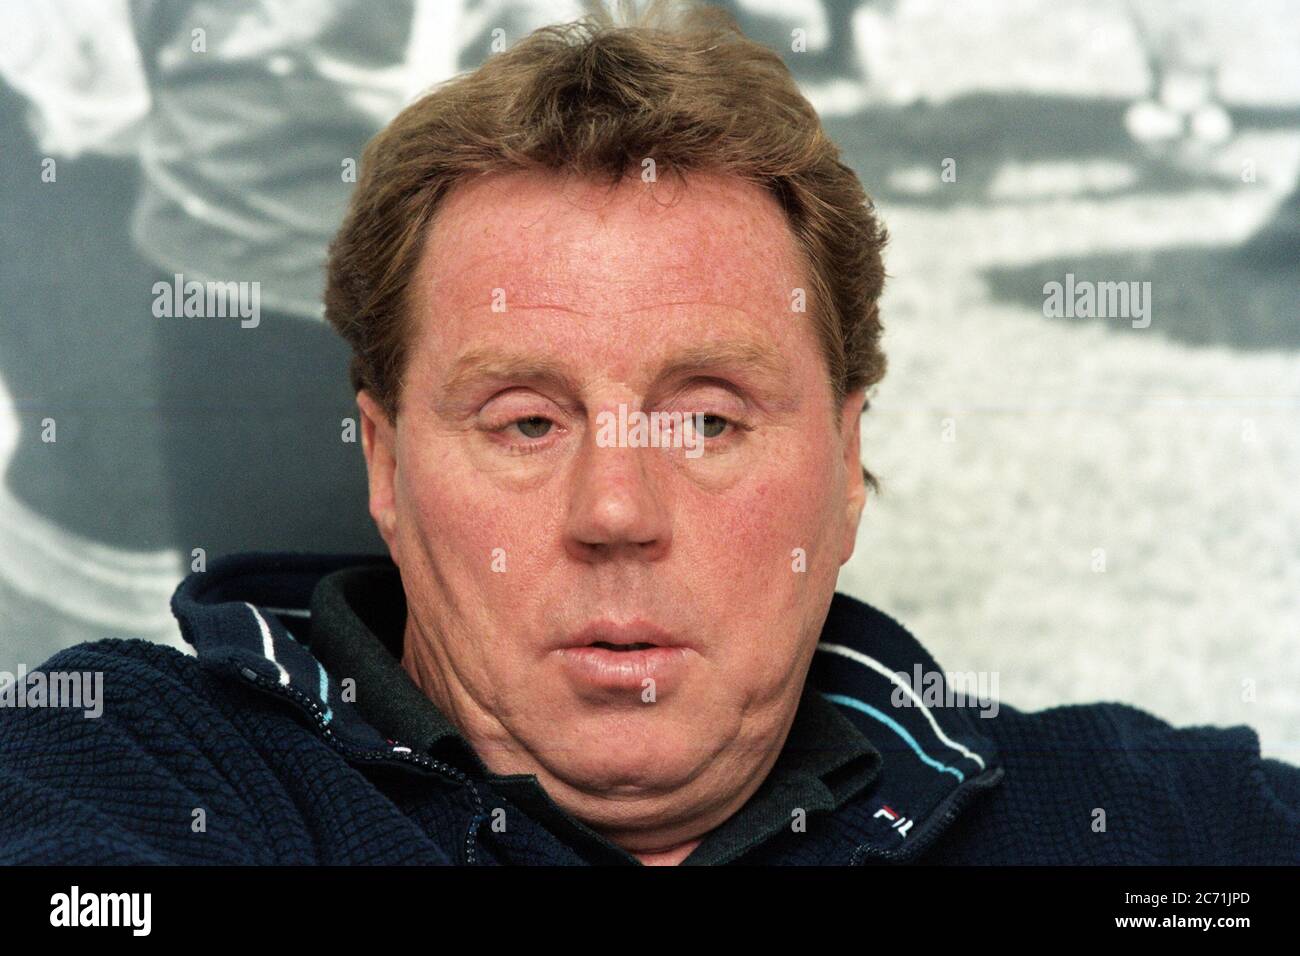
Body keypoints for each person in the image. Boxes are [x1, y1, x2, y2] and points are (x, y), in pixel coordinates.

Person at [0, 0, 1295, 866]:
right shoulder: (139, 782)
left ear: (850, 469)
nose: (615, 509)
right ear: (384, 465)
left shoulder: (1132, 823)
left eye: (706, 417)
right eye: (524, 421)